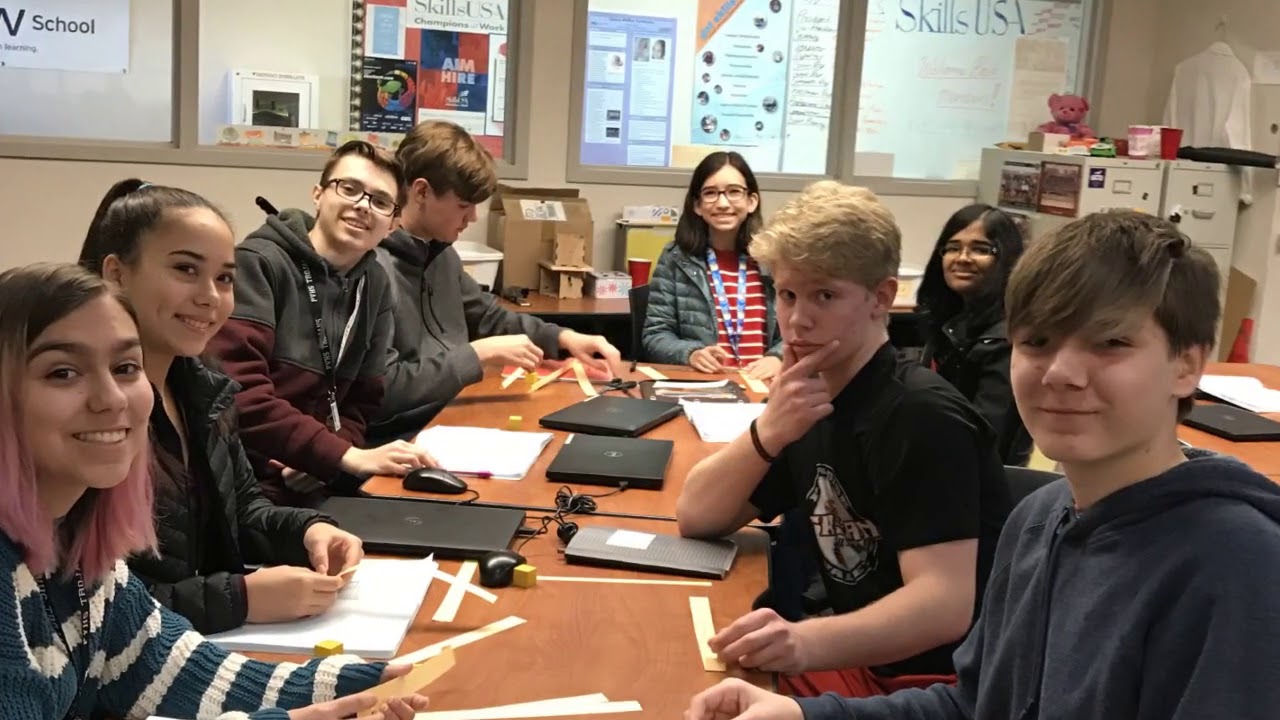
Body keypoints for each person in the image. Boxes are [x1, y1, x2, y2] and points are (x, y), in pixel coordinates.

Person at [685, 211, 1280, 720]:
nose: (1060, 373)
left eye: (1110, 343)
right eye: (1037, 342)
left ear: (1187, 366)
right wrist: (803, 715)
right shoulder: (1041, 519)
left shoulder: (1234, 564)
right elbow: (972, 705)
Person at [0, 262, 430, 719]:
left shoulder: (77, 543)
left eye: (125, 367)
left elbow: (168, 668)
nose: (112, 398)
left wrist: (344, 686)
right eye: (62, 373)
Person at [675, 181, 1010, 699]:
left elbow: (944, 606)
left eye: (825, 296)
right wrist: (769, 430)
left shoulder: (920, 414)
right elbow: (698, 516)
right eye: (787, 294)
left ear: (882, 298)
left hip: (930, 686)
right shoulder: (812, 397)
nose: (797, 319)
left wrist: (802, 642)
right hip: (861, 660)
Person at [78, 179, 368, 635]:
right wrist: (240, 599)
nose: (210, 296)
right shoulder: (89, 416)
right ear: (116, 273)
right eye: (185, 269)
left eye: (224, 278)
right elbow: (86, 605)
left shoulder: (204, 390)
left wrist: (309, 531)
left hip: (205, 645)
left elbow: (243, 511)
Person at [207, 141, 435, 507]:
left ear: (393, 225)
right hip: (246, 482)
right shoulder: (259, 264)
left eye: (379, 201)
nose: (362, 205)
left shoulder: (374, 283)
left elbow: (363, 400)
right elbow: (238, 394)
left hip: (316, 478)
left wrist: (327, 455)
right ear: (318, 195)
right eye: (349, 188)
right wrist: (338, 455)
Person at [369, 120, 619, 444]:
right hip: (400, 439)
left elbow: (488, 316)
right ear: (421, 192)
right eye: (463, 205)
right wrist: (477, 355)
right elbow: (383, 390)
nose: (472, 217)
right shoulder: (374, 269)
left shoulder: (441, 255)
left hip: (450, 416)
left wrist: (563, 337)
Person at [643, 151, 783, 378]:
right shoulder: (676, 259)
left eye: (734, 192)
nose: (723, 203)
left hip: (764, 385)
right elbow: (655, 336)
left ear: (751, 201)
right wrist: (690, 354)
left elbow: (800, 330)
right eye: (710, 193)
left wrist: (778, 357)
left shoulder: (773, 258)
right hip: (706, 384)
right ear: (697, 205)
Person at [916, 203, 1032, 466]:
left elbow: (985, 438)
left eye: (980, 249)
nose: (963, 258)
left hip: (977, 473)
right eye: (953, 248)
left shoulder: (1005, 341)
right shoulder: (951, 322)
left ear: (1006, 259)